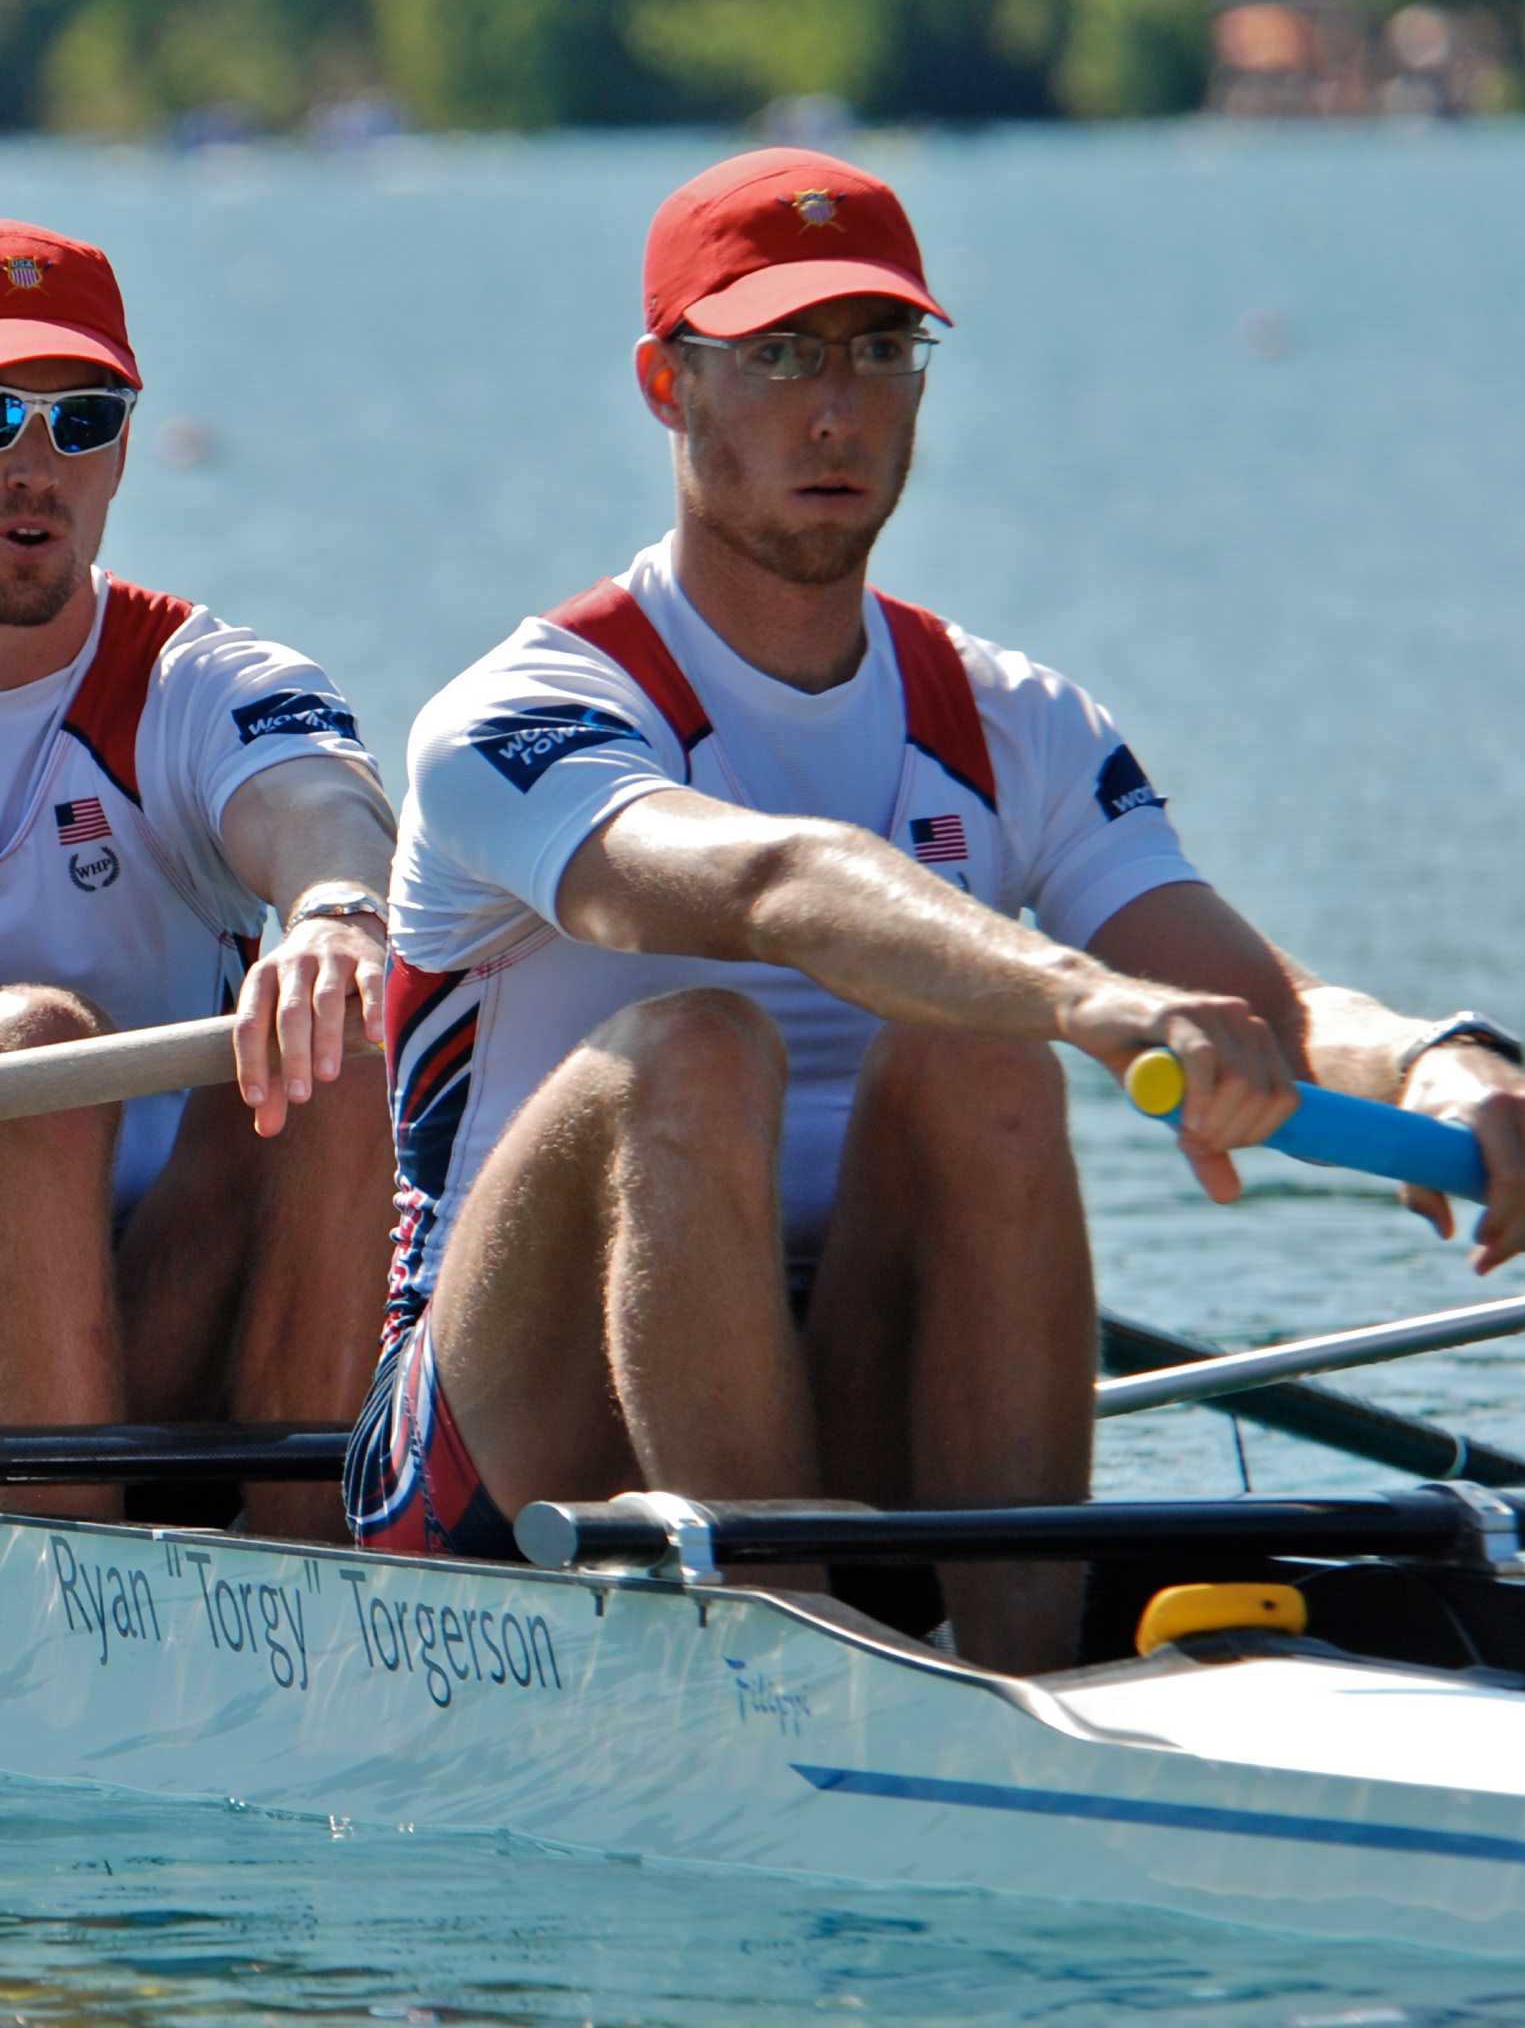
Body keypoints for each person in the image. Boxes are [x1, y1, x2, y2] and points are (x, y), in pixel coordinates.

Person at [345, 149, 1525, 1672]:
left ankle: (1021, 1685)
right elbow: (776, 886)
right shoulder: (526, 716)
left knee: (978, 1058)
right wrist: (1084, 998)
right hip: (504, 1431)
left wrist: (1444, 1064)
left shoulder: (1009, 718)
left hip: (851, 1370)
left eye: (878, 352)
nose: (834, 409)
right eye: (773, 357)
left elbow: (1263, 1007)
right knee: (699, 1042)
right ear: (665, 385)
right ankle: (799, 1663)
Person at [0, 219, 397, 1540]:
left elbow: (319, 804)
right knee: (34, 1046)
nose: (31, 465)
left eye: (82, 418)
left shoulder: (199, 682)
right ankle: (76, 1577)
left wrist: (336, 912)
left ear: (124, 447)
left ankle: (305, 1570)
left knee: (336, 1035)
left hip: (194, 1292)